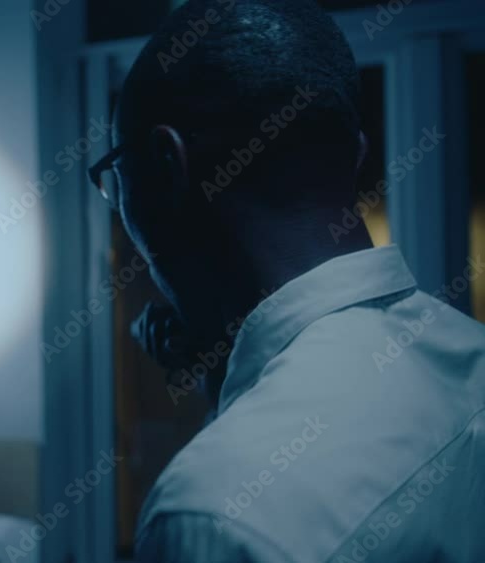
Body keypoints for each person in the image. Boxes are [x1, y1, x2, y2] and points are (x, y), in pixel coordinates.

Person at [89, 0, 485, 560]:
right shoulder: (472, 359)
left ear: (168, 165)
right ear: (354, 154)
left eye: (117, 177)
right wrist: (230, 386)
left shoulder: (209, 514)